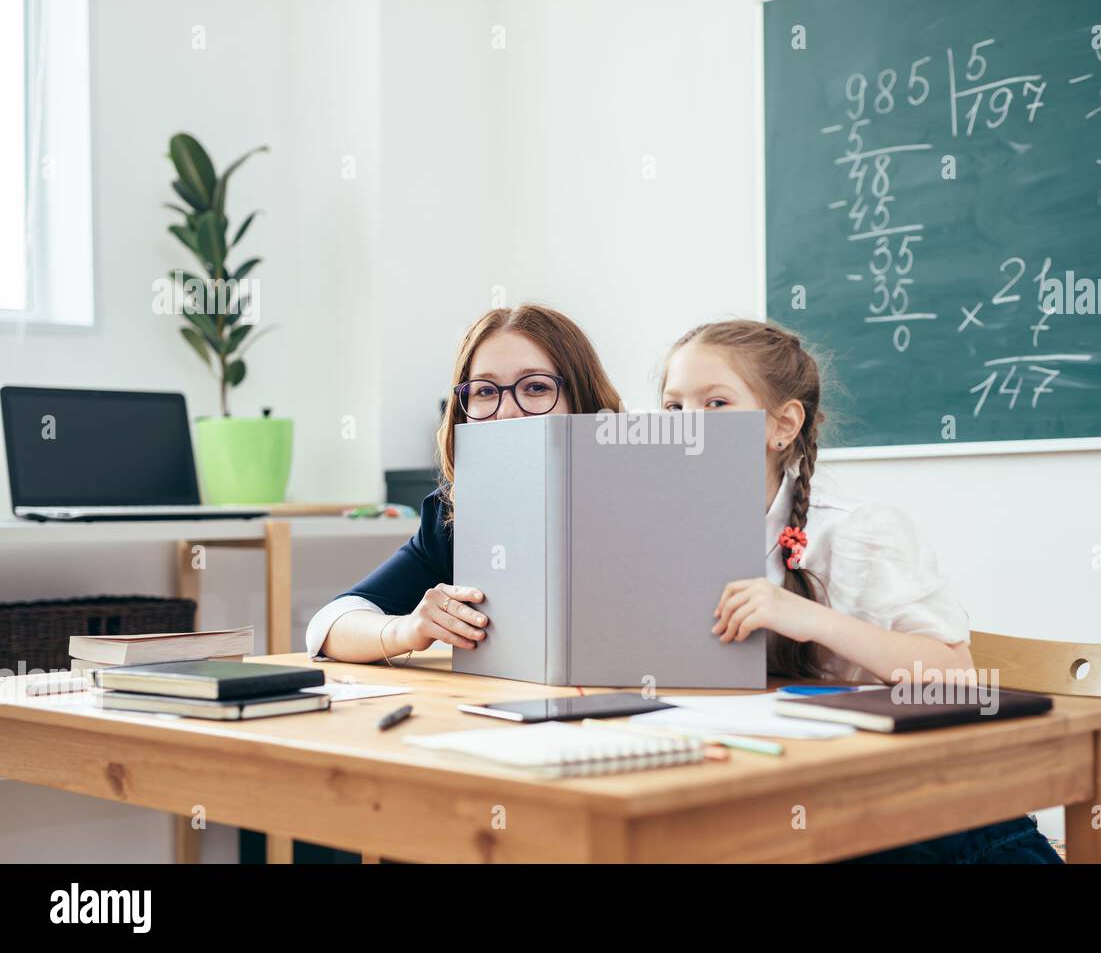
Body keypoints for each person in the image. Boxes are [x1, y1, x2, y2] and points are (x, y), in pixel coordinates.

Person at [659, 318, 1061, 863]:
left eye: (715, 405)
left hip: (907, 805)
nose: (687, 426)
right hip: (769, 791)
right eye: (673, 409)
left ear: (782, 425)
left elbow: (956, 674)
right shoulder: (664, 539)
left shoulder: (860, 533)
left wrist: (807, 617)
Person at [305, 304, 621, 663]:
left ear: (582, 402)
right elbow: (328, 626)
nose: (506, 412)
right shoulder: (452, 514)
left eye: (535, 387)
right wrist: (408, 628)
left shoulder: (637, 496)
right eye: (485, 391)